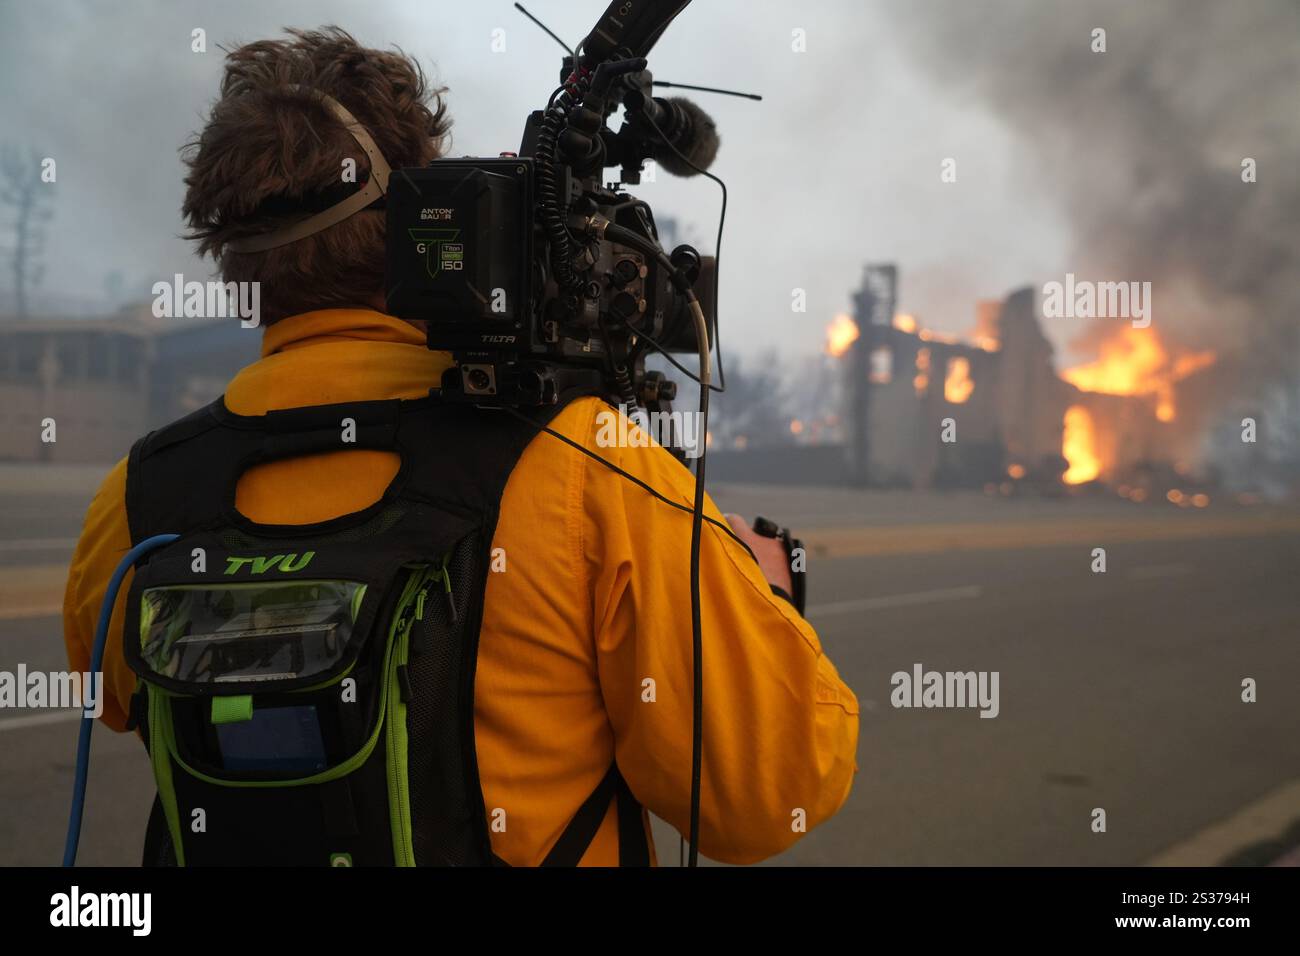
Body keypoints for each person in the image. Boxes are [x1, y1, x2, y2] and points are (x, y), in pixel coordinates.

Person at [62, 27, 858, 866]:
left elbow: (118, 699)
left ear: (226, 249)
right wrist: (758, 595)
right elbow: (773, 796)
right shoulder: (583, 468)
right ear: (428, 210)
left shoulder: (140, 495)